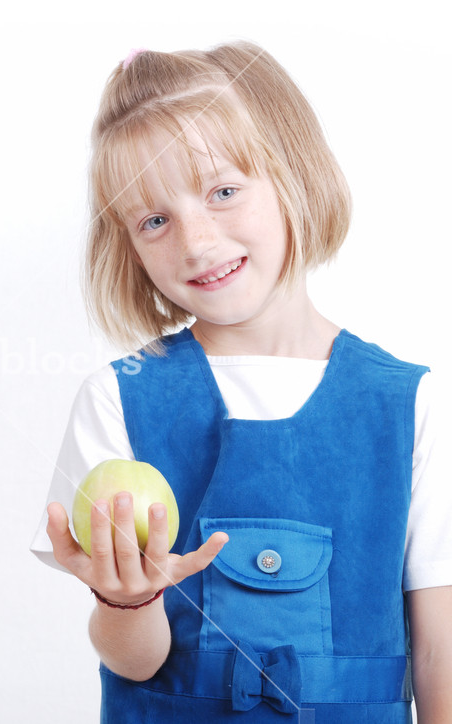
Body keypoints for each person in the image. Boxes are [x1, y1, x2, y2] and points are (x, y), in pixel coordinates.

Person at [30, 42, 452, 722]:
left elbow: (439, 653)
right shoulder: (119, 398)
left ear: (295, 176)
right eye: (154, 220)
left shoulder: (410, 405)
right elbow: (134, 661)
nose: (194, 242)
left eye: (224, 192)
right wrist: (127, 599)